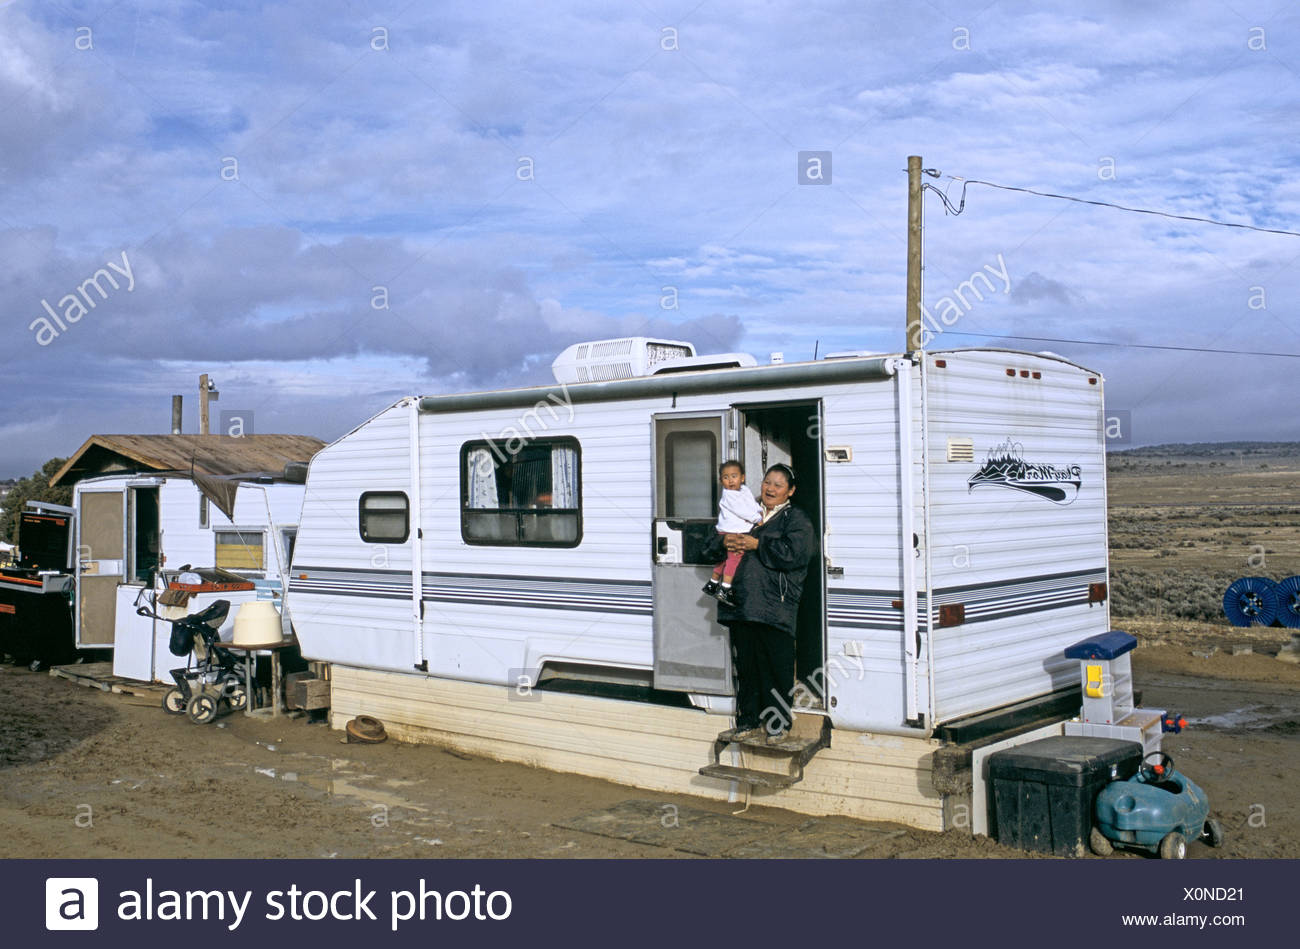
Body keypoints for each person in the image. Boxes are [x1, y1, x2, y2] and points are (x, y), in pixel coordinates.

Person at [701, 463, 815, 744]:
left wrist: (757, 545)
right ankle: (748, 720)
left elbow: (796, 555)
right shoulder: (742, 509)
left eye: (778, 485)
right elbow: (707, 547)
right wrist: (724, 542)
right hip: (739, 604)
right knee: (748, 666)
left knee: (777, 666)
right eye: (767, 482)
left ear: (790, 491)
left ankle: (778, 724)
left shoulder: (795, 518)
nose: (771, 489)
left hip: (774, 606)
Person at [702, 460, 762, 607]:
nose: (730, 480)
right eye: (726, 477)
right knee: (734, 559)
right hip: (731, 531)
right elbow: (742, 510)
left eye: (734, 476)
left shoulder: (744, 491)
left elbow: (750, 504)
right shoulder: (729, 496)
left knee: (723, 559)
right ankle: (725, 589)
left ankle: (713, 583)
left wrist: (758, 509)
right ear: (721, 480)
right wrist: (757, 518)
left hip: (733, 529)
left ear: (742, 478)